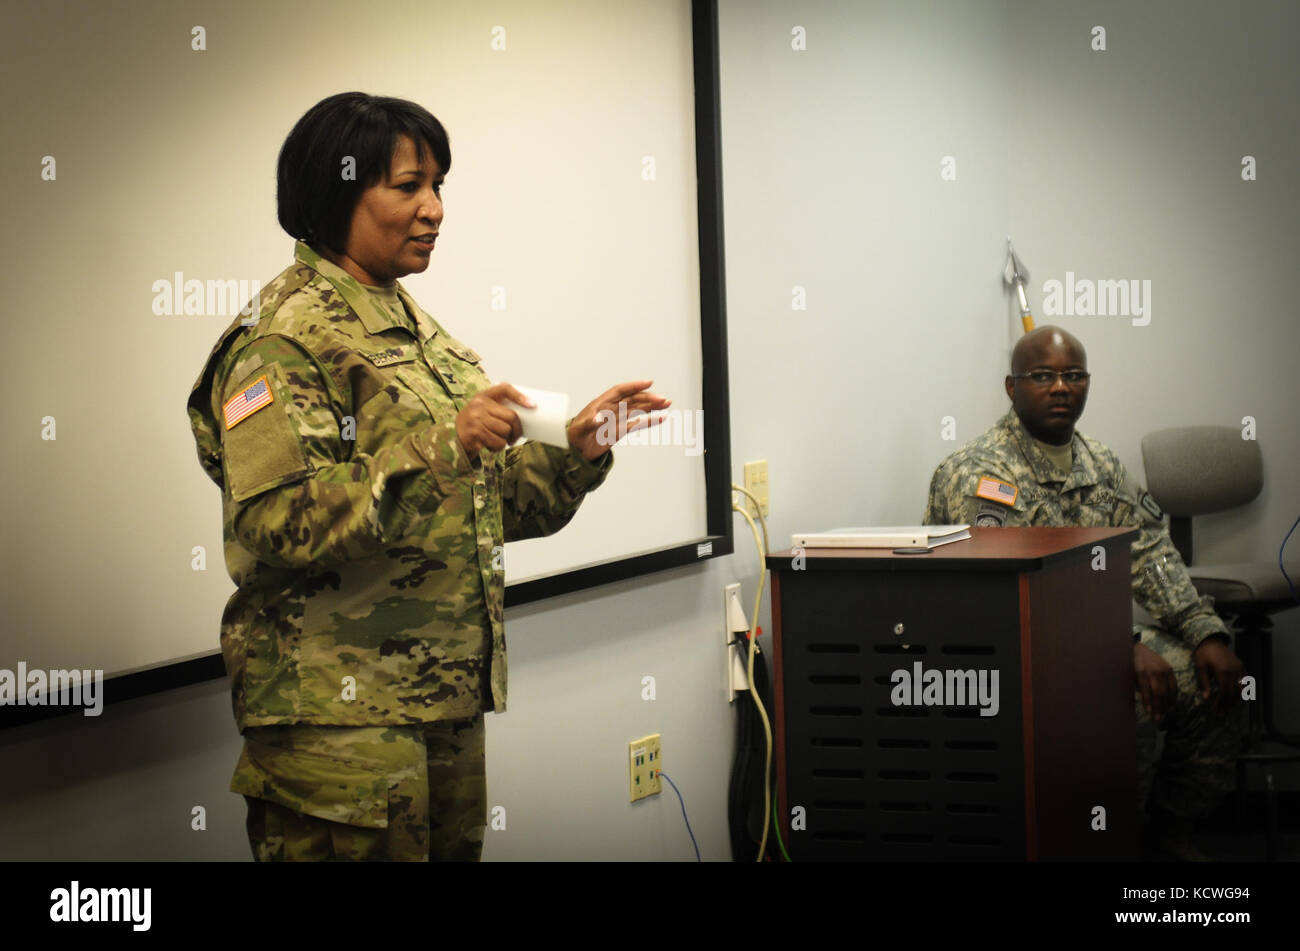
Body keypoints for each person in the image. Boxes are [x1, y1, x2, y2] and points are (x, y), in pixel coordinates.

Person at [187, 92, 669, 861]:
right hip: (338, 729)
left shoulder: (413, 329)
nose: (435, 209)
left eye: (438, 186)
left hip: (437, 701)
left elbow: (481, 503)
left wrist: (575, 449)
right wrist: (445, 444)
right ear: (337, 191)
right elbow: (278, 523)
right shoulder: (280, 341)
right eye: (408, 187)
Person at [922, 325, 1246, 861]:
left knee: (1214, 676)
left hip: (1088, 643)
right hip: (999, 657)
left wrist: (1205, 631)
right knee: (1125, 697)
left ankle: (1167, 833)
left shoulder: (1102, 464)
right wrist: (1118, 649)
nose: (1059, 387)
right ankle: (1107, 838)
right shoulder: (981, 475)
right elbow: (1011, 595)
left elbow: (1149, 553)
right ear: (1011, 387)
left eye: (1073, 375)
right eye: (1042, 376)